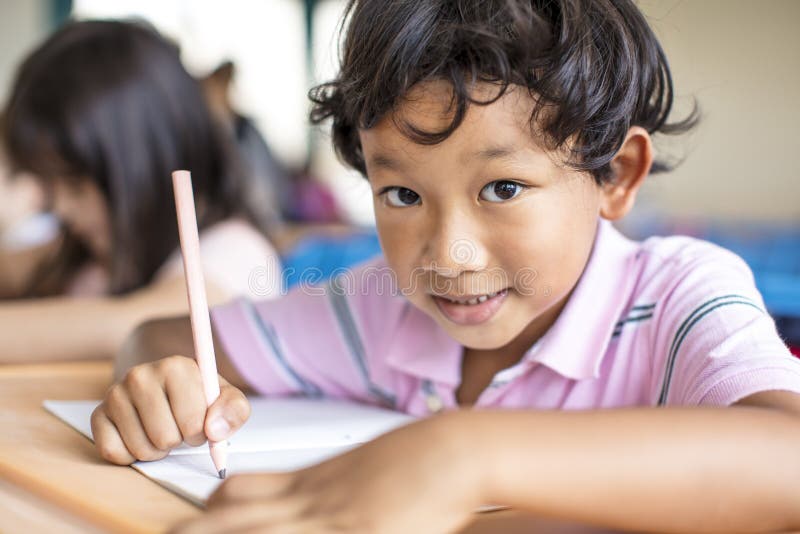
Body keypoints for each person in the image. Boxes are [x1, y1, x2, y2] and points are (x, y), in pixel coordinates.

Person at [91, 1, 800, 532]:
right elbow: (161, 337)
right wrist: (169, 386)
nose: (448, 255)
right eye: (402, 194)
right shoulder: (374, 310)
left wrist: (463, 454)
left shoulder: (677, 296)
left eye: (503, 188)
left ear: (615, 174)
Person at [0, 20, 281, 363]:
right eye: (50, 185)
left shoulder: (234, 252)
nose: (59, 208)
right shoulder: (85, 259)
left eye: (74, 185)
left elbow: (138, 327)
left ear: (141, 166)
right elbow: (13, 267)